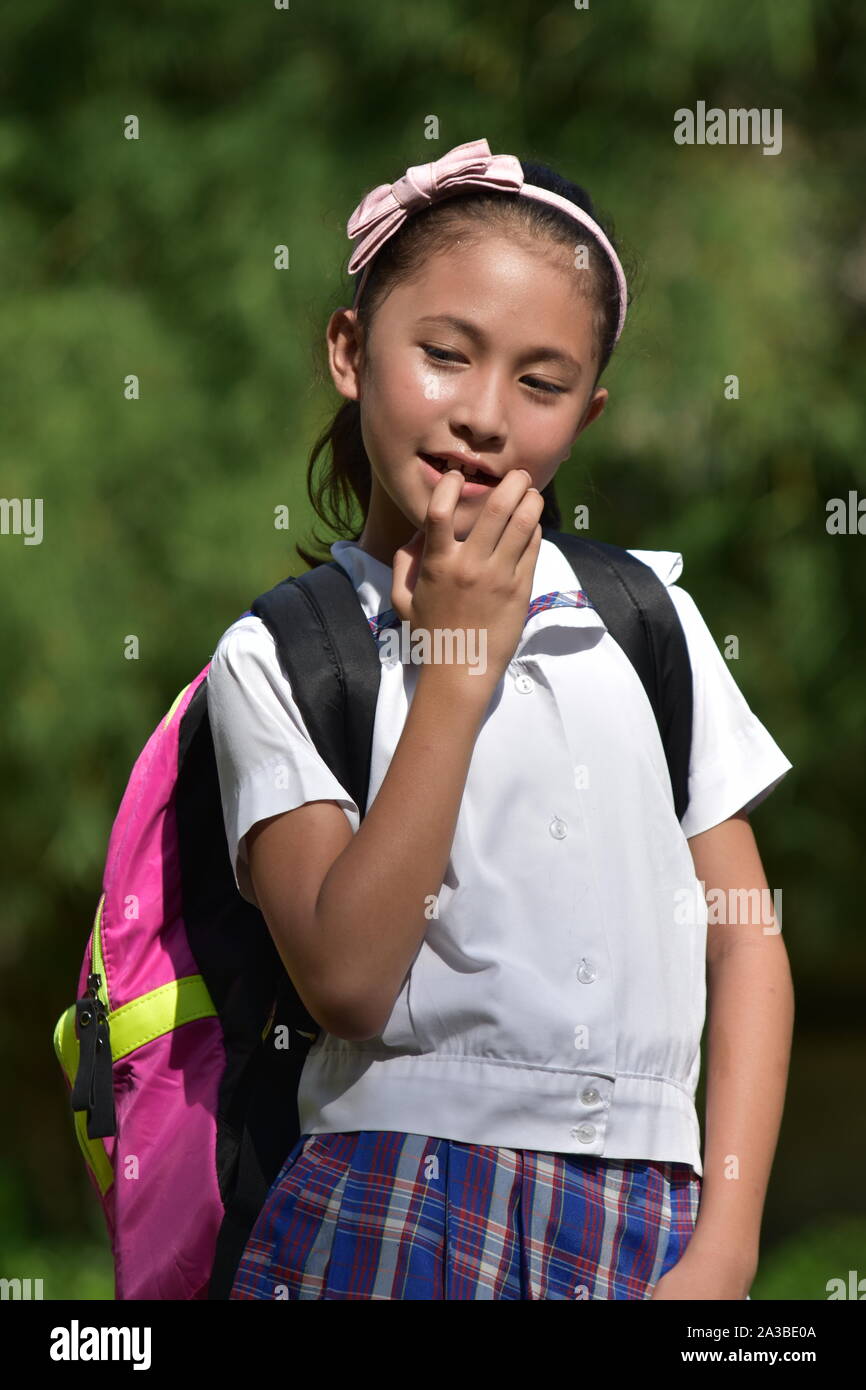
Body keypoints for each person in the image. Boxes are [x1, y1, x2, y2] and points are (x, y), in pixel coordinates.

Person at [206, 137, 794, 1300]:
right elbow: (349, 980)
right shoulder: (281, 655)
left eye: (539, 382)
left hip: (652, 1223)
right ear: (347, 349)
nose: (482, 414)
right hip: (395, 1206)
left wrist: (723, 1249)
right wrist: (456, 672)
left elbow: (746, 940)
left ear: (586, 411)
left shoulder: (642, 618)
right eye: (442, 354)